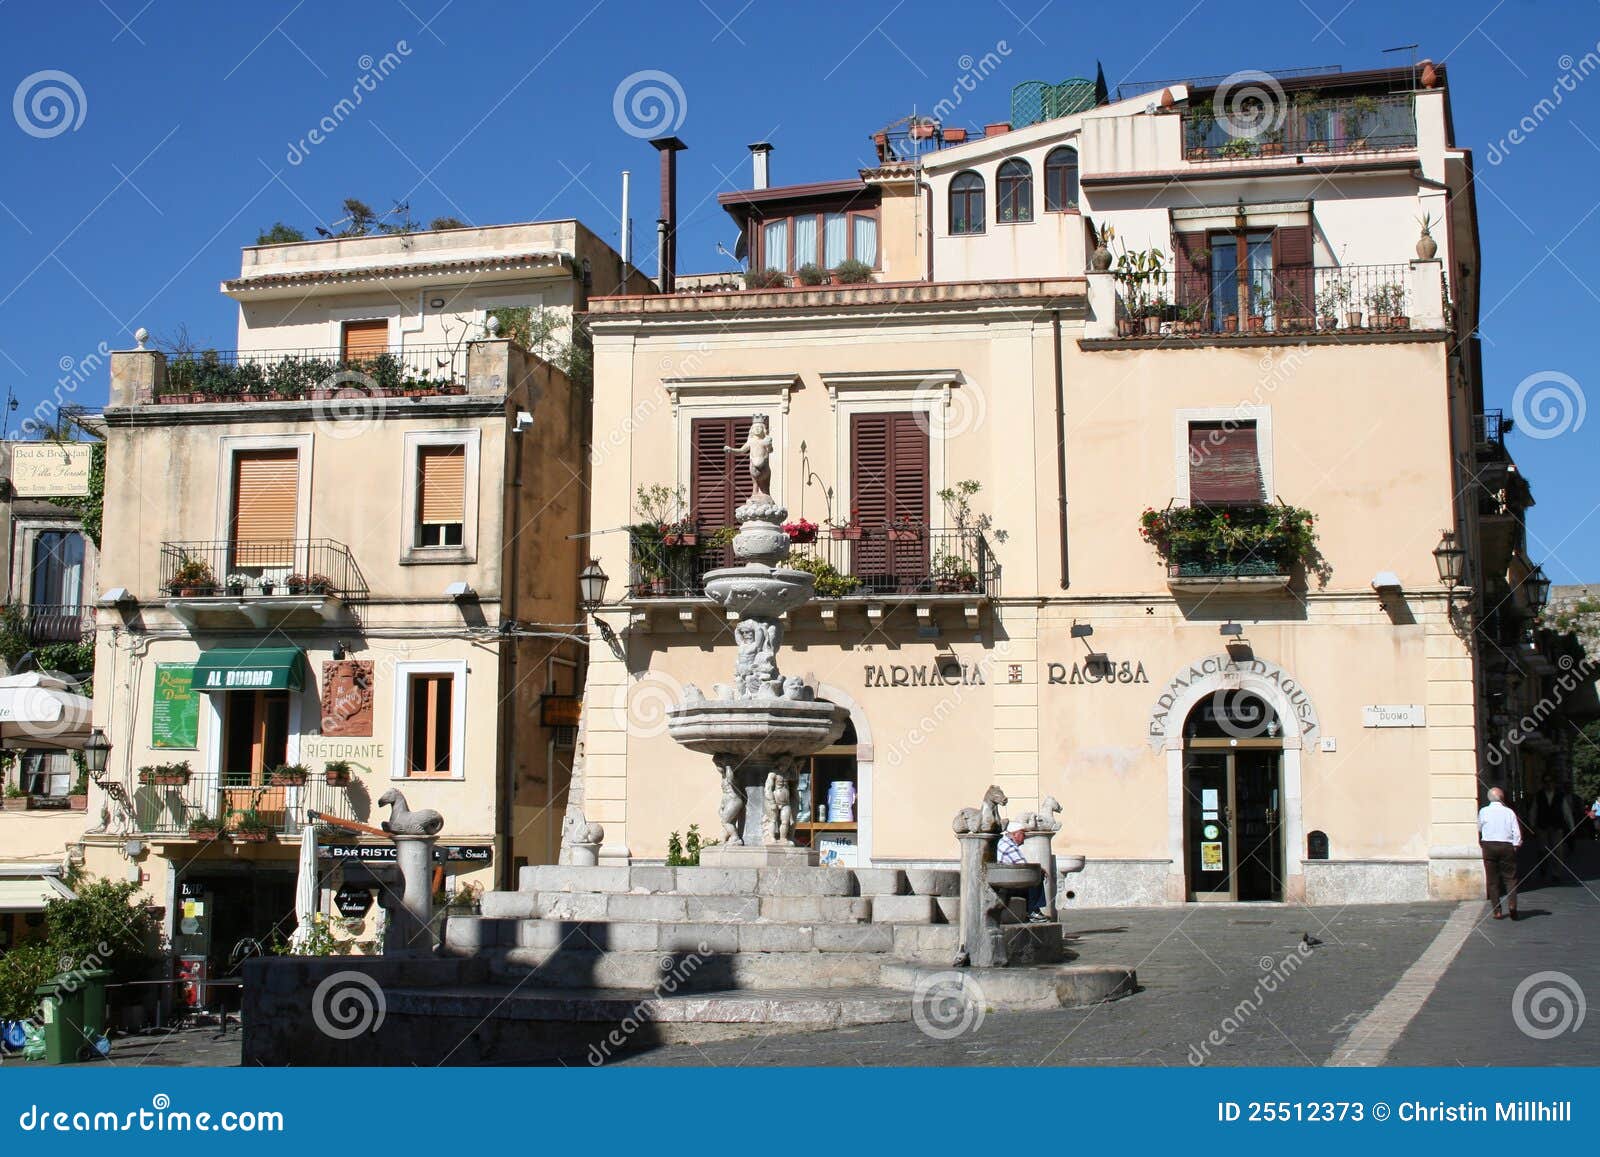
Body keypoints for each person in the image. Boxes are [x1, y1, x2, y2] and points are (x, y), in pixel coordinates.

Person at [1478, 787, 1522, 920]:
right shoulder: (1509, 812)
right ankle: (1512, 905)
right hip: (1506, 845)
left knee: (1492, 880)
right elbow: (1516, 831)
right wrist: (1515, 845)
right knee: (1510, 878)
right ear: (1502, 798)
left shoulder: (1483, 811)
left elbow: (1479, 828)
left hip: (1489, 846)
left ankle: (1496, 910)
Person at [1526, 774, 1578, 885]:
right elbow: (1533, 811)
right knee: (1542, 850)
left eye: (1550, 782)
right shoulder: (1539, 795)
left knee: (1558, 851)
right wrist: (1532, 825)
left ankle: (1556, 873)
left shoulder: (1560, 796)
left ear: (1554, 784)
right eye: (1546, 782)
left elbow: (1566, 812)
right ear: (1543, 784)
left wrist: (1572, 826)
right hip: (1542, 827)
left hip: (1557, 827)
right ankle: (1543, 868)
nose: (1549, 784)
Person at [997, 823, 1048, 921]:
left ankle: (1032, 911)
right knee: (1036, 876)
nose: (1024, 837)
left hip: (1003, 877)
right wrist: (1039, 870)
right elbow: (1024, 866)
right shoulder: (1010, 847)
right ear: (1015, 834)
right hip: (1008, 882)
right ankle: (1033, 911)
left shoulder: (1003, 842)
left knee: (1034, 874)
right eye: (1023, 834)